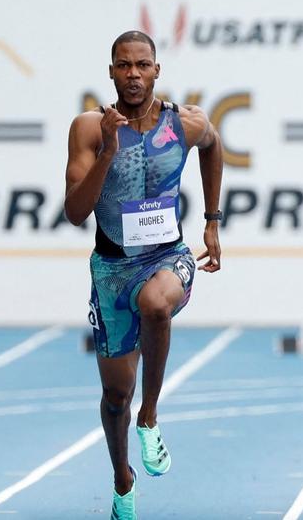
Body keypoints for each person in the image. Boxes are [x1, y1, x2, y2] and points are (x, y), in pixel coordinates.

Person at [64, 30, 223, 520]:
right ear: (111, 72)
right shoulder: (90, 128)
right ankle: (122, 481)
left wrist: (212, 221)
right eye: (124, 65)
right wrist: (108, 151)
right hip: (112, 269)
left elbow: (213, 145)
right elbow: (75, 212)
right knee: (115, 397)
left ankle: (150, 418)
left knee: (156, 304)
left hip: (168, 257)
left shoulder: (185, 122)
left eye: (142, 65)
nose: (133, 74)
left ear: (157, 70)